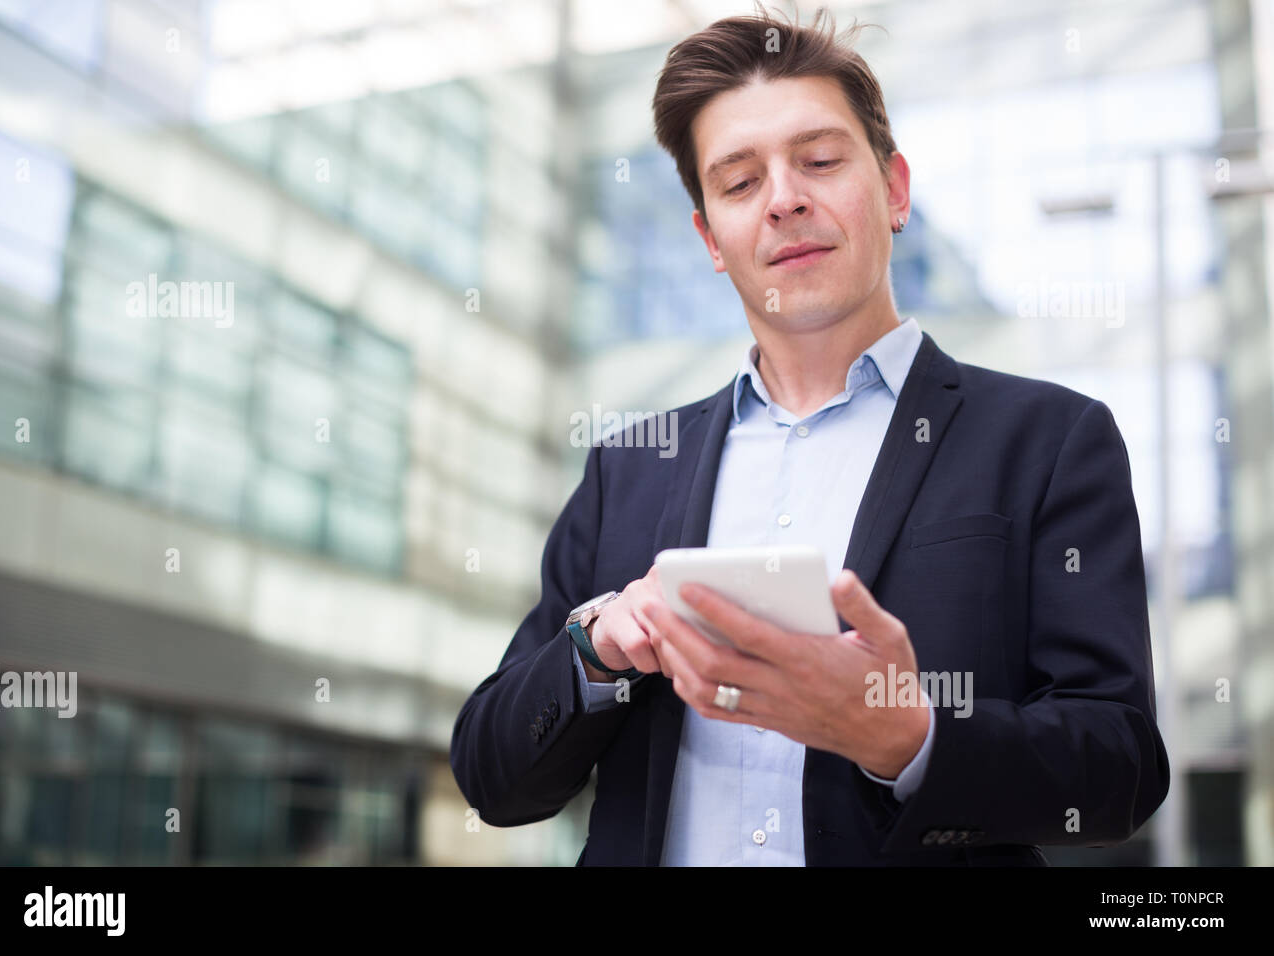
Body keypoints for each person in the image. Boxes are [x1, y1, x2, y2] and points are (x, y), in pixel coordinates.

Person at [450, 4, 1169, 865]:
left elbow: (1118, 771)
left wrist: (908, 733)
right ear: (711, 238)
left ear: (894, 189)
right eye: (740, 182)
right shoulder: (629, 468)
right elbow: (493, 777)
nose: (785, 199)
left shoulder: (1050, 442)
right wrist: (597, 651)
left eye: (820, 160)